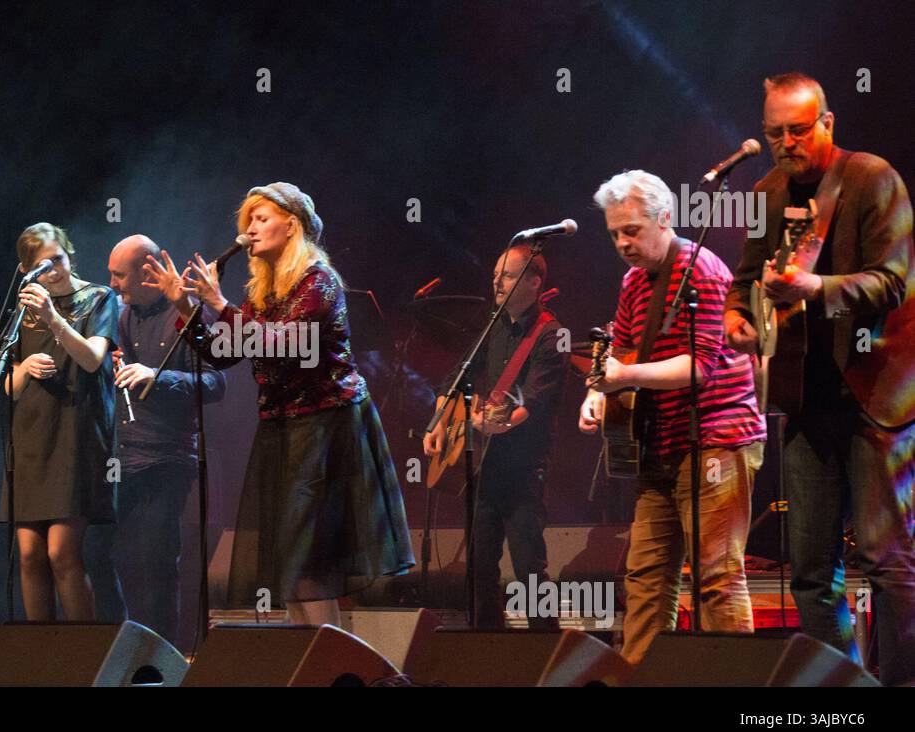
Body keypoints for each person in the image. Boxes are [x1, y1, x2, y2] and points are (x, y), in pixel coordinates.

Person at [144, 182, 414, 626]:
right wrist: (187, 307)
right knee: (291, 561)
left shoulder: (318, 283)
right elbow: (223, 353)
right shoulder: (263, 294)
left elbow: (286, 345)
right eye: (248, 220)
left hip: (327, 426)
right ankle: (316, 662)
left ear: (292, 225)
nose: (250, 228)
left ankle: (338, 667)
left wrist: (217, 303)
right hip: (283, 426)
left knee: (307, 560)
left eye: (261, 217)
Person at [724, 72, 915, 685]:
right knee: (809, 570)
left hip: (878, 394)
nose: (786, 142)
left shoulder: (870, 178)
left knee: (887, 562)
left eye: (798, 130)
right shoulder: (770, 190)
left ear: (828, 122)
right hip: (806, 397)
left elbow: (894, 281)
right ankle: (842, 695)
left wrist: (815, 288)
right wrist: (738, 319)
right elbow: (745, 277)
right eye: (773, 132)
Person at [581, 169, 766, 664]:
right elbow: (620, 350)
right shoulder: (634, 281)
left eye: (631, 230)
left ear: (665, 219)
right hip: (662, 444)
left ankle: (731, 683)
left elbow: (700, 368)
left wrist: (625, 376)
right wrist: (599, 394)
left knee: (717, 579)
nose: (622, 242)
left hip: (717, 439)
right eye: (615, 233)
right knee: (644, 579)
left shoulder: (701, 270)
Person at [82, 234, 227, 643]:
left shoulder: (187, 312)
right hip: (123, 456)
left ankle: (159, 660)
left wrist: (157, 376)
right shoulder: (123, 316)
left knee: (157, 564)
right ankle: (121, 642)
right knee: (92, 551)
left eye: (118, 275)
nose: (111, 284)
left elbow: (217, 383)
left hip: (167, 460)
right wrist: (116, 369)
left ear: (147, 272)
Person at [423, 243, 567, 629]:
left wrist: (502, 420)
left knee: (529, 568)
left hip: (524, 469)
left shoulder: (553, 335)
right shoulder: (494, 325)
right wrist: (438, 420)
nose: (496, 283)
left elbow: (534, 401)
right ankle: (484, 650)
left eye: (506, 275)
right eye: (495, 275)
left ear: (534, 282)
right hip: (486, 466)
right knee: (479, 569)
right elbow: (456, 376)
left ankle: (546, 649)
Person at [2, 222, 118, 622]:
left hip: (76, 435)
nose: (54, 269)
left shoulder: (99, 298)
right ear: (25, 271)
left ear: (70, 255)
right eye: (42, 265)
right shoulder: (22, 311)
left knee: (61, 552)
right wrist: (25, 369)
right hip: (32, 437)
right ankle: (41, 659)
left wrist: (53, 318)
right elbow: (8, 387)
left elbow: (91, 359)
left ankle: (82, 659)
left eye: (59, 259)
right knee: (30, 555)